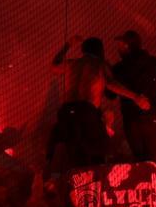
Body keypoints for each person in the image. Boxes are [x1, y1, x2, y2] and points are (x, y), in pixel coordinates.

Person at [48, 36, 150, 171]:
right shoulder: (100, 65)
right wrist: (135, 97)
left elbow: (54, 66)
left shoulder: (73, 63)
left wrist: (67, 45)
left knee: (67, 150)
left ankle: (59, 179)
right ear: (100, 51)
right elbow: (112, 84)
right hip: (86, 111)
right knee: (99, 152)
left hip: (66, 111)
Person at [112, 30, 156, 162]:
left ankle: (146, 181)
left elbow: (111, 93)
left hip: (132, 119)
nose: (117, 48)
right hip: (152, 115)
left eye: (120, 44)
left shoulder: (119, 68)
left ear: (126, 45)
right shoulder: (153, 62)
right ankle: (155, 181)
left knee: (140, 158)